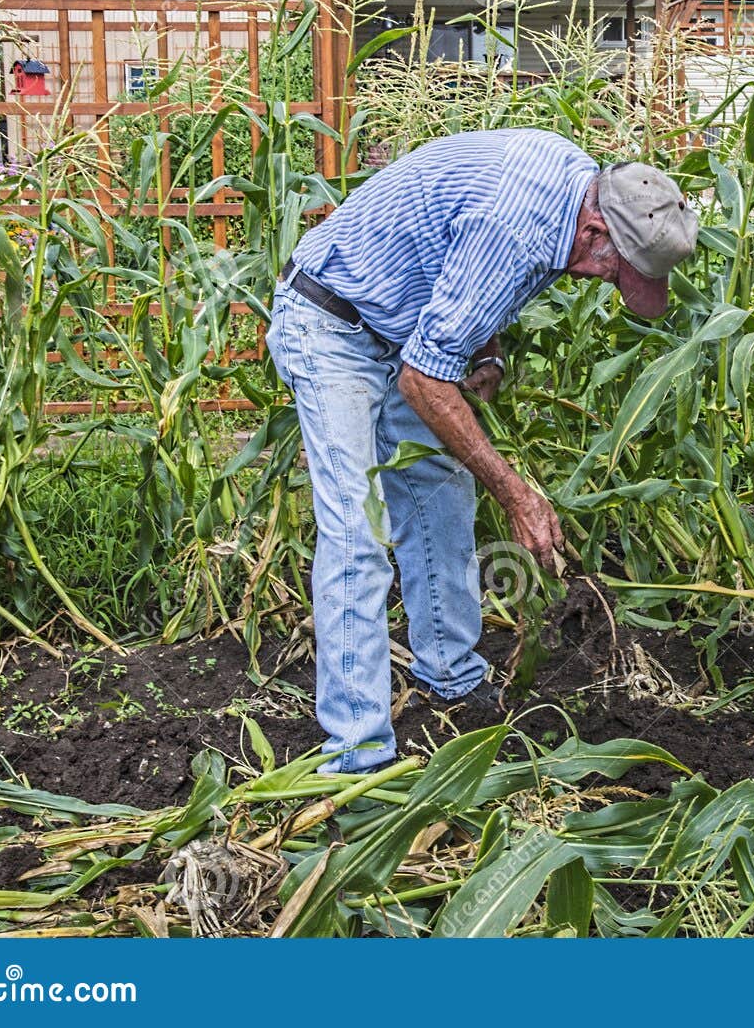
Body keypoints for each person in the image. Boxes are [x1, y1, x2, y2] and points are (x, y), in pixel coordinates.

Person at [265, 128, 699, 773]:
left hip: (404, 332)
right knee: (359, 532)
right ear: (595, 232)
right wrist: (517, 493)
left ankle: (453, 677)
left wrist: (486, 345)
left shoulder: (579, 185)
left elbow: (467, 270)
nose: (607, 283)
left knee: (441, 499)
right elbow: (425, 378)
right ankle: (357, 751)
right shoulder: (518, 226)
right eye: (616, 270)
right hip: (334, 329)